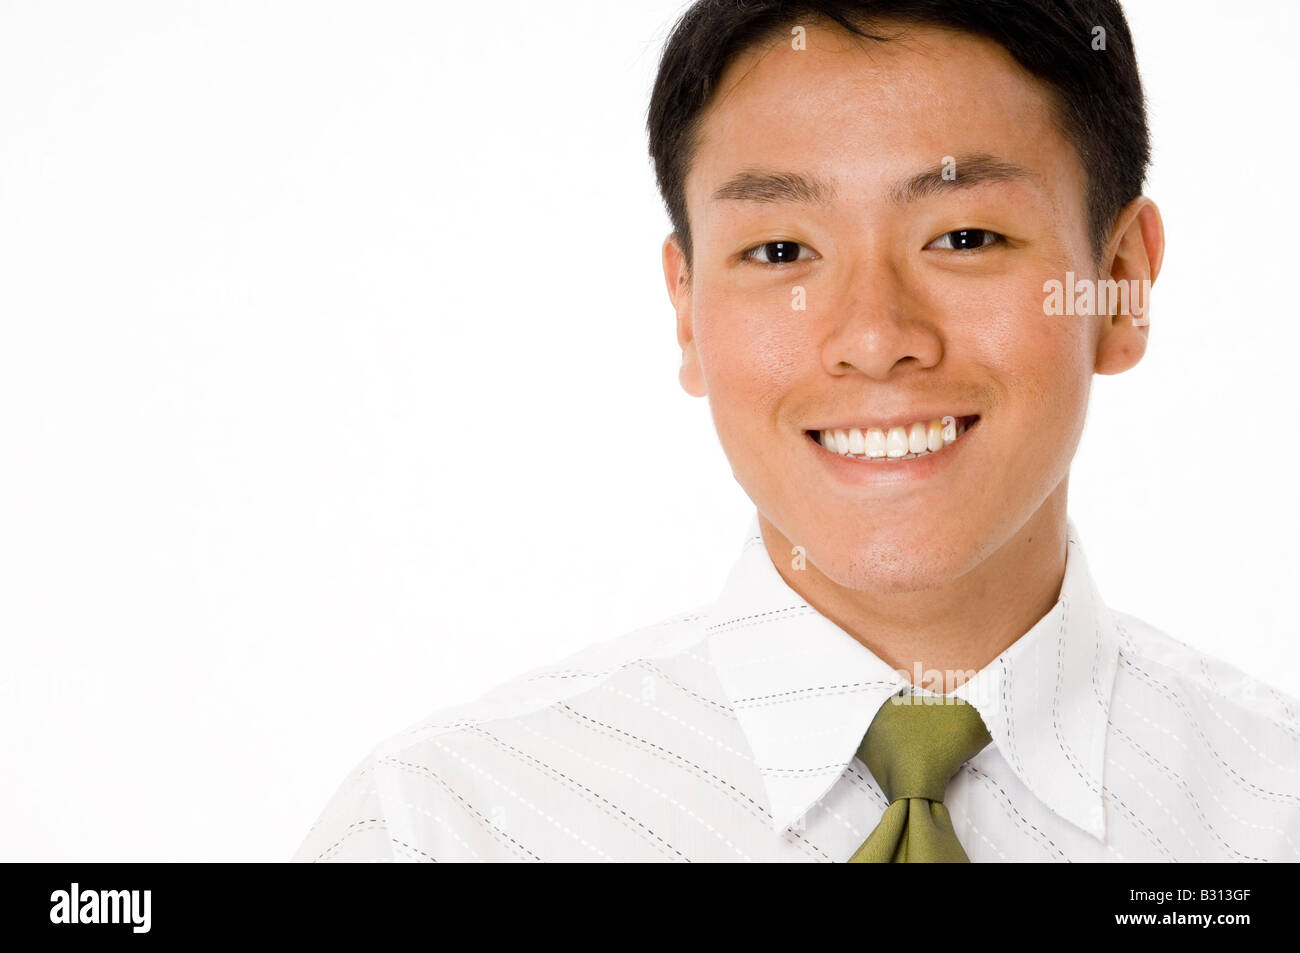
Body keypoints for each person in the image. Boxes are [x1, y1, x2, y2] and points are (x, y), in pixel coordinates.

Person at [291, 0, 1300, 862]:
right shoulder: (445, 831)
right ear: (686, 309)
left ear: (1119, 282)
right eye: (780, 249)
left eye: (964, 237)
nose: (873, 336)